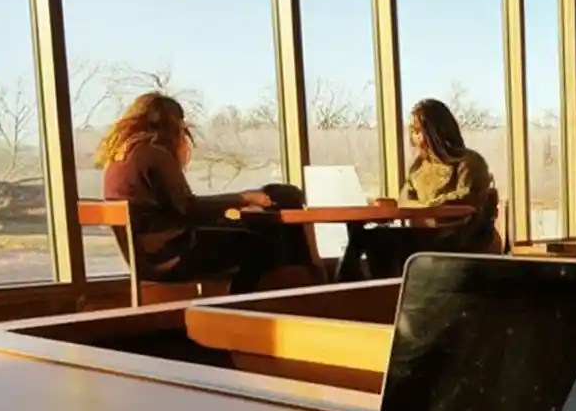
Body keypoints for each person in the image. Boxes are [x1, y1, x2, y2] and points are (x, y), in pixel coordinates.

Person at [99, 92, 311, 294]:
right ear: (173, 125)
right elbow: (189, 207)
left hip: (148, 260)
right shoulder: (153, 155)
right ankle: (243, 310)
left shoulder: (118, 160)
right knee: (260, 245)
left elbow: (174, 210)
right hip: (172, 258)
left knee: (242, 236)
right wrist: (244, 198)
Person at [350, 99, 501, 278]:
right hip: (424, 234)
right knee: (368, 238)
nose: (415, 139)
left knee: (380, 240)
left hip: (459, 237)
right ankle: (369, 293)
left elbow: (464, 198)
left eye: (419, 131)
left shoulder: (469, 162)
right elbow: (405, 200)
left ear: (438, 131)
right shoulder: (419, 167)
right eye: (413, 132)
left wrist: (428, 206)